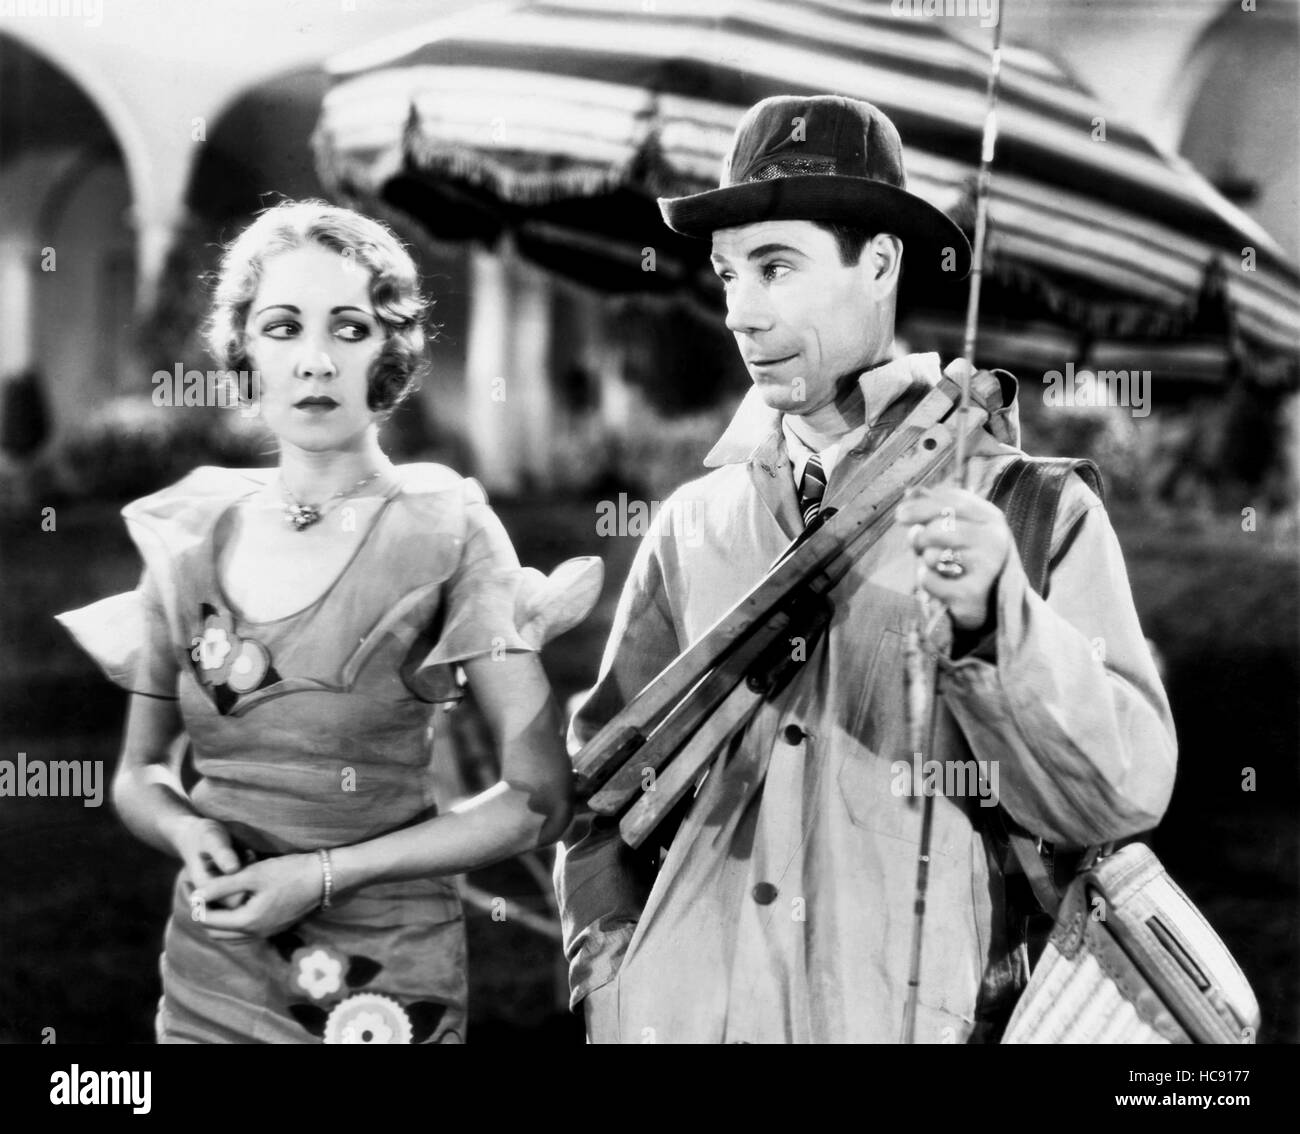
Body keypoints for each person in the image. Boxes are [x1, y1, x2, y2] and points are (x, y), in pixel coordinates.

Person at [554, 95, 1177, 1044]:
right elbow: (602, 794)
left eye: (776, 268)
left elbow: (1119, 794)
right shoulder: (692, 524)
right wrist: (610, 980)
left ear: (879, 263)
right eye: (727, 275)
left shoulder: (1031, 512)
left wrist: (993, 624)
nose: (740, 313)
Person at [57, 201, 591, 1044]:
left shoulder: (445, 526)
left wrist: (326, 874)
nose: (314, 360)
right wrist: (186, 828)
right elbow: (140, 771)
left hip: (380, 995)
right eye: (282, 327)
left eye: (348, 328)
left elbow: (539, 802)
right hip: (213, 977)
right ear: (243, 352)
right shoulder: (192, 534)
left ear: (389, 351)